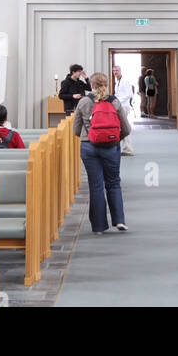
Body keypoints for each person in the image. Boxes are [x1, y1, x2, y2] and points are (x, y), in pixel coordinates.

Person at [73, 71, 130, 234]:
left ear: (91, 85)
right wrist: (114, 139)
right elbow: (126, 128)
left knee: (96, 185)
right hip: (111, 147)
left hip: (89, 148)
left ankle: (98, 226)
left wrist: (88, 135)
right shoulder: (114, 101)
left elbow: (75, 129)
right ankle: (119, 220)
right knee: (113, 183)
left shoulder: (84, 102)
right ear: (107, 84)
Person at [112, 66, 135, 156]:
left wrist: (117, 101)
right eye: (114, 71)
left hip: (124, 106)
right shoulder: (117, 81)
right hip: (119, 106)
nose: (115, 72)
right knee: (121, 127)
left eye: (117, 70)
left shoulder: (125, 81)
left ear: (121, 71)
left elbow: (129, 94)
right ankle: (125, 148)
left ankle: (128, 149)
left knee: (124, 127)